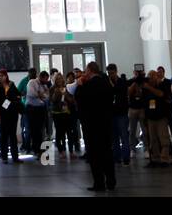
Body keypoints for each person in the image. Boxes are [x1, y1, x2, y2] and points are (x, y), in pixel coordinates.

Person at [76, 63, 116, 192]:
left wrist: (80, 86)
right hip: (105, 123)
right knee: (107, 153)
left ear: (90, 71)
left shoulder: (88, 85)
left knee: (94, 155)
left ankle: (99, 183)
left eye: (86, 71)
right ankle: (111, 181)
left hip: (92, 125)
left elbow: (80, 101)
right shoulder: (106, 84)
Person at [0, 69, 21, 162]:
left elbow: (18, 95)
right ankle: (4, 156)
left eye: (2, 75)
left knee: (13, 135)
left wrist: (13, 98)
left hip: (12, 112)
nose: (1, 77)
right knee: (3, 135)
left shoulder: (11, 84)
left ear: (6, 76)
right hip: (2, 113)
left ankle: (15, 157)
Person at [143, 70, 172, 166]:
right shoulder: (146, 89)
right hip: (150, 117)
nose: (150, 79)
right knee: (153, 140)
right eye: (149, 77)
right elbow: (144, 101)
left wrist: (149, 87)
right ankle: (155, 159)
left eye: (152, 76)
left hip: (161, 117)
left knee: (164, 139)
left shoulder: (161, 85)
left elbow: (161, 94)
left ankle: (164, 159)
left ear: (156, 77)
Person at [107, 65, 131, 166]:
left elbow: (120, 92)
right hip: (112, 114)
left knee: (124, 136)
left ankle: (126, 158)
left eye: (112, 73)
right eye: (109, 73)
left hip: (122, 113)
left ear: (116, 71)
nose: (111, 75)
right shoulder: (107, 83)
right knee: (114, 137)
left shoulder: (122, 82)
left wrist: (112, 85)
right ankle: (116, 157)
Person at [50, 73, 78, 156]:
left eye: (60, 78)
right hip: (57, 113)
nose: (59, 80)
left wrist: (66, 95)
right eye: (57, 79)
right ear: (55, 80)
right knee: (59, 132)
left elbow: (72, 100)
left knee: (69, 132)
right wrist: (57, 93)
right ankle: (61, 150)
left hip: (66, 112)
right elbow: (52, 100)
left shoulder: (67, 87)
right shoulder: (52, 88)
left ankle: (71, 151)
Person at [24, 69, 49, 156]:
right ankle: (35, 149)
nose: (46, 81)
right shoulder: (32, 82)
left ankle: (39, 148)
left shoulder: (44, 85)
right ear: (41, 77)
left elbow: (47, 96)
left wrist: (40, 94)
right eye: (45, 79)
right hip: (31, 109)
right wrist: (41, 94)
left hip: (41, 109)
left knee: (40, 129)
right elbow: (32, 94)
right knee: (33, 130)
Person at [16, 68, 36, 151]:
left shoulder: (37, 81)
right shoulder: (24, 81)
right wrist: (22, 94)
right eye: (31, 73)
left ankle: (34, 145)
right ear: (28, 73)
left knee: (35, 128)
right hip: (25, 107)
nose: (32, 75)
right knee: (26, 128)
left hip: (35, 107)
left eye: (34, 73)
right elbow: (17, 93)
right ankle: (26, 146)